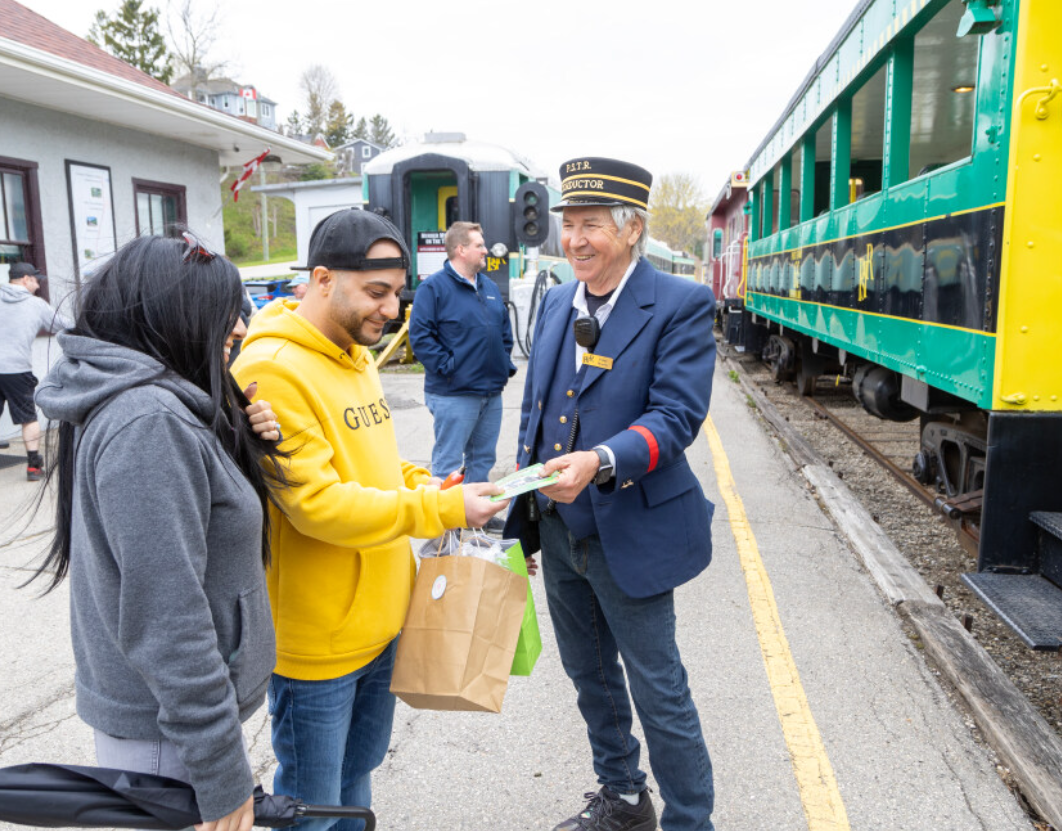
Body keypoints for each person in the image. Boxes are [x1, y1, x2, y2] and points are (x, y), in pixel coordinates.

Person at [230, 208, 506, 829]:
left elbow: (370, 464)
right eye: (376, 292)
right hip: (320, 643)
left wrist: (426, 482)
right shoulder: (273, 368)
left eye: (398, 293)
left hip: (381, 622)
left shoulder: (352, 351)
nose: (391, 309)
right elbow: (317, 505)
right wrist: (440, 507)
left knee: (355, 788)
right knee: (313, 806)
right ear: (323, 279)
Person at [31, 232, 287, 831]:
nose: (239, 327)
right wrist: (221, 774)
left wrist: (240, 436)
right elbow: (168, 621)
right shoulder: (149, 423)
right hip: (169, 735)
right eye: (224, 313)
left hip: (172, 723)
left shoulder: (156, 405)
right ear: (173, 316)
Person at [503, 157, 717, 831]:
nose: (574, 240)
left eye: (590, 224)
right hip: (559, 527)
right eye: (568, 225)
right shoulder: (557, 301)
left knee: (659, 690)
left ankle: (690, 821)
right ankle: (623, 798)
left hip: (630, 529)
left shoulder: (679, 304)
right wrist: (522, 521)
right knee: (590, 677)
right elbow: (537, 411)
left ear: (631, 229)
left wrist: (601, 459)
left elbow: (675, 416)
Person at [408, 221, 515, 527]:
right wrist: (450, 368)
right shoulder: (434, 288)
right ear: (460, 249)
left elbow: (504, 332)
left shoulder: (489, 287)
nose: (485, 250)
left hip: (490, 392)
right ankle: (445, 527)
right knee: (448, 463)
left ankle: (477, 516)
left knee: (483, 459)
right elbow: (421, 338)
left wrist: (504, 364)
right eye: (479, 245)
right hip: (453, 393)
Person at [0, 262, 72, 480]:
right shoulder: (36, 304)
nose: (38, 286)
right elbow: (64, 325)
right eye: (36, 281)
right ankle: (33, 467)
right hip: (16, 369)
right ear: (25, 279)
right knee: (28, 418)